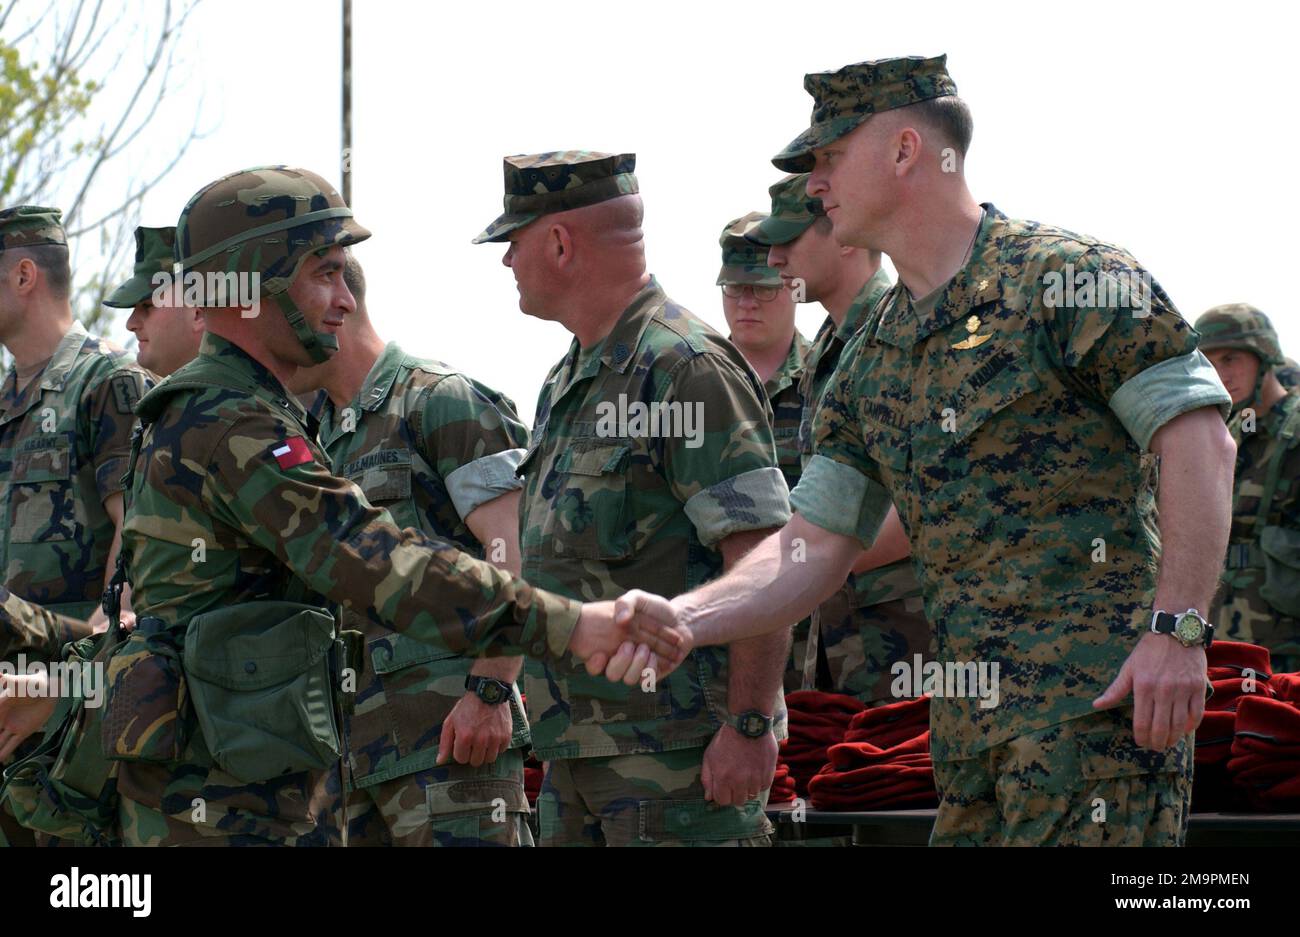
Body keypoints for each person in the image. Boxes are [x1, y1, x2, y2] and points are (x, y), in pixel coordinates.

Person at [618, 55, 1236, 846]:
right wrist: (683, 616)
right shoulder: (868, 358)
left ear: (906, 151)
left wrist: (1178, 631)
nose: (815, 186)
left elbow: (1202, 441)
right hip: (967, 749)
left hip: (1099, 725)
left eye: (830, 159)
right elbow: (807, 548)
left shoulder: (1068, 280)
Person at [104, 165, 684, 846]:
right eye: (323, 273)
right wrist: (573, 627)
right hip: (230, 807)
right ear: (253, 283)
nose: (345, 300)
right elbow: (378, 560)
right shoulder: (232, 424)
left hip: (250, 790)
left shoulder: (235, 412)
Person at [476, 151, 791, 845]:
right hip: (578, 755)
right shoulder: (569, 379)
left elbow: (766, 563)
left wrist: (748, 725)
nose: (505, 262)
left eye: (513, 242)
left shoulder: (685, 367)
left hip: (679, 758)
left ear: (560, 243)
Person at [288, 252, 535, 845]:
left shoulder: (436, 400)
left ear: (334, 308)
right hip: (352, 764)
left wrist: (491, 688)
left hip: (452, 747)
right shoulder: (312, 440)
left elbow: (518, 551)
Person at [749, 174, 931, 702]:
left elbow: (922, 503)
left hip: (909, 648)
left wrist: (794, 566)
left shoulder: (903, 331)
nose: (775, 259)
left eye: (790, 240)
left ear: (846, 238)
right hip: (838, 641)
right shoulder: (832, 343)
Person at [717, 211, 808, 691]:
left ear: (794, 289)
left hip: (832, 633)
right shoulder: (693, 382)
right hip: (722, 632)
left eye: (763, 288)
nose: (746, 303)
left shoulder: (833, 376)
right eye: (734, 289)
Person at [1197, 304, 1300, 672]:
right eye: (1209, 362)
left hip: (1287, 642)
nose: (1220, 374)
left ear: (1264, 356)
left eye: (1230, 359)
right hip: (1227, 635)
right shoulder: (1230, 433)